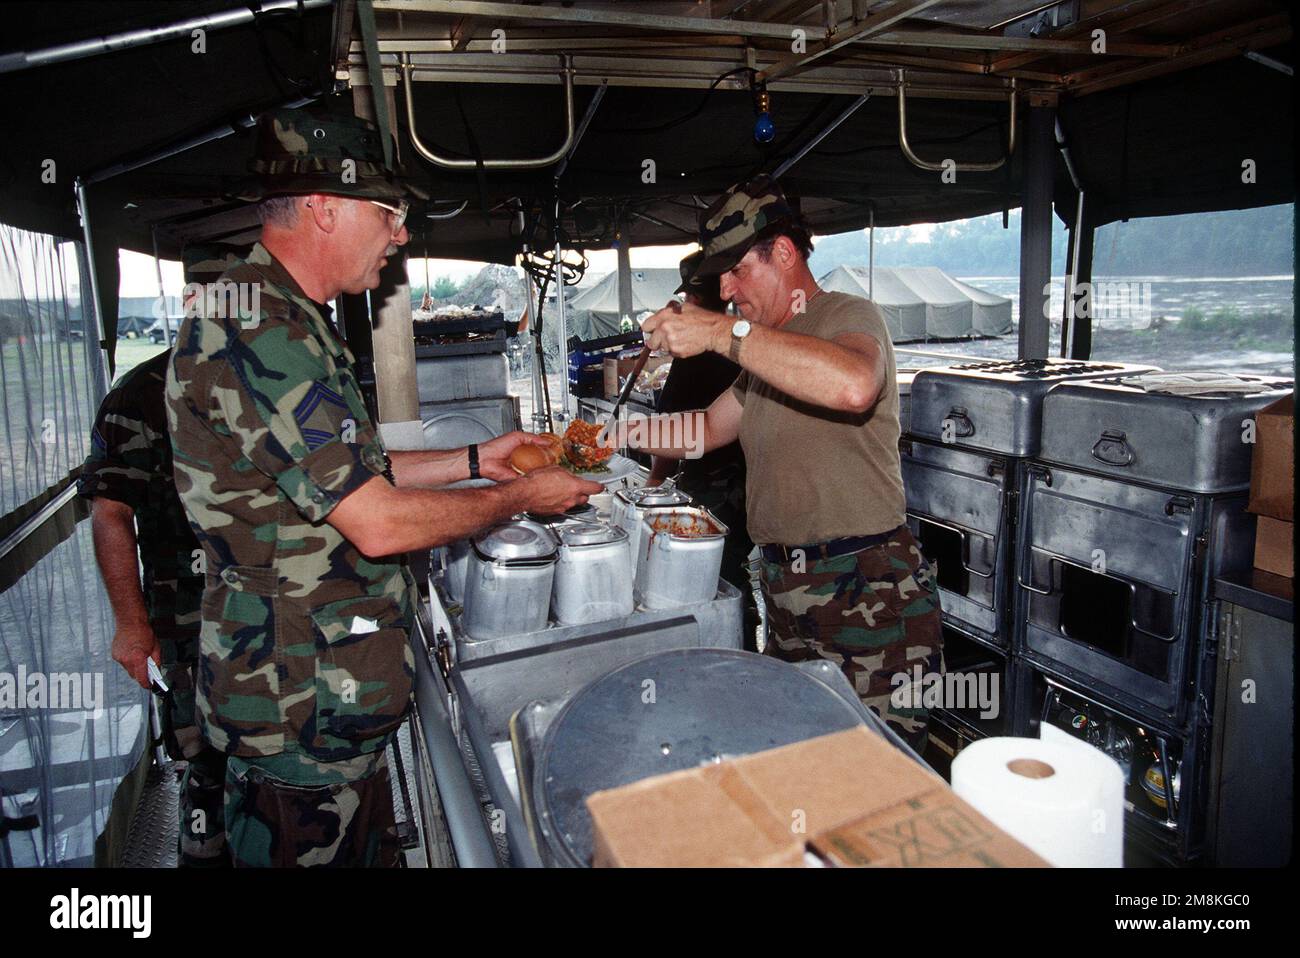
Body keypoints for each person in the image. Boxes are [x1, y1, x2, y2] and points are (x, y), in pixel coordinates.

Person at [165, 102, 600, 868]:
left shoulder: (289, 317)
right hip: (291, 708)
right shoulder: (260, 328)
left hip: (323, 700)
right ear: (325, 209)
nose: (400, 234)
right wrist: (523, 499)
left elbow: (344, 477)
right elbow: (378, 522)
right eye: (388, 212)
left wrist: (478, 461)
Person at [613, 175, 943, 751]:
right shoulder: (766, 351)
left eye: (737, 269)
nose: (726, 287)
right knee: (794, 760)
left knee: (872, 777)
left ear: (784, 253)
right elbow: (709, 426)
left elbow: (854, 385)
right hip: (787, 594)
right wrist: (613, 435)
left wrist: (719, 332)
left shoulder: (847, 316)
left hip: (865, 593)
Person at [78, 244, 246, 867]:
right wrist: (130, 624)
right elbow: (110, 513)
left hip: (274, 615)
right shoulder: (142, 395)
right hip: (190, 621)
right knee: (204, 767)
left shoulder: (262, 385)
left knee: (278, 772)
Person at [647, 251, 757, 650]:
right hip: (745, 486)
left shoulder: (696, 356)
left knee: (716, 577)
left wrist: (655, 480)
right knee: (733, 571)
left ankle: (731, 648)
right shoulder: (747, 345)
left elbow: (676, 430)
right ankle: (743, 642)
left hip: (714, 489)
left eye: (690, 298)